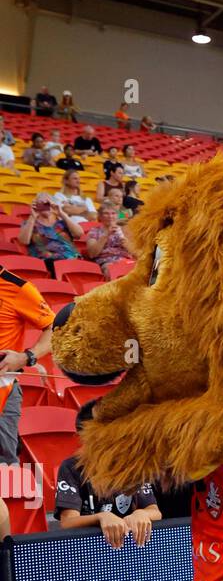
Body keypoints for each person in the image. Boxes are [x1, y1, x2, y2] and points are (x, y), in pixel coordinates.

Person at [0, 264, 54, 465]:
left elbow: (55, 329)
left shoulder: (18, 288)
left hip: (2, 390)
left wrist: (26, 357)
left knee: (3, 467)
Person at [55, 456, 161, 545]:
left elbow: (155, 511)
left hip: (128, 544)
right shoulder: (71, 467)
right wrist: (101, 517)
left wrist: (142, 513)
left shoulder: (134, 464)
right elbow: (67, 522)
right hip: (89, 545)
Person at [18, 194, 79, 262]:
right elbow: (23, 241)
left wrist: (61, 213)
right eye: (41, 204)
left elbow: (79, 234)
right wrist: (33, 217)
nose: (45, 206)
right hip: (46, 262)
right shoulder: (30, 223)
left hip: (71, 259)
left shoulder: (63, 222)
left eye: (47, 203)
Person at [87, 203, 133, 277]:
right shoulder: (94, 231)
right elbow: (92, 254)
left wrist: (126, 243)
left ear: (117, 216)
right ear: (100, 216)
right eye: (106, 213)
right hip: (106, 262)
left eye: (113, 213)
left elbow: (136, 253)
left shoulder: (125, 230)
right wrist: (106, 235)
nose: (110, 216)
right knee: (111, 270)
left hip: (125, 260)